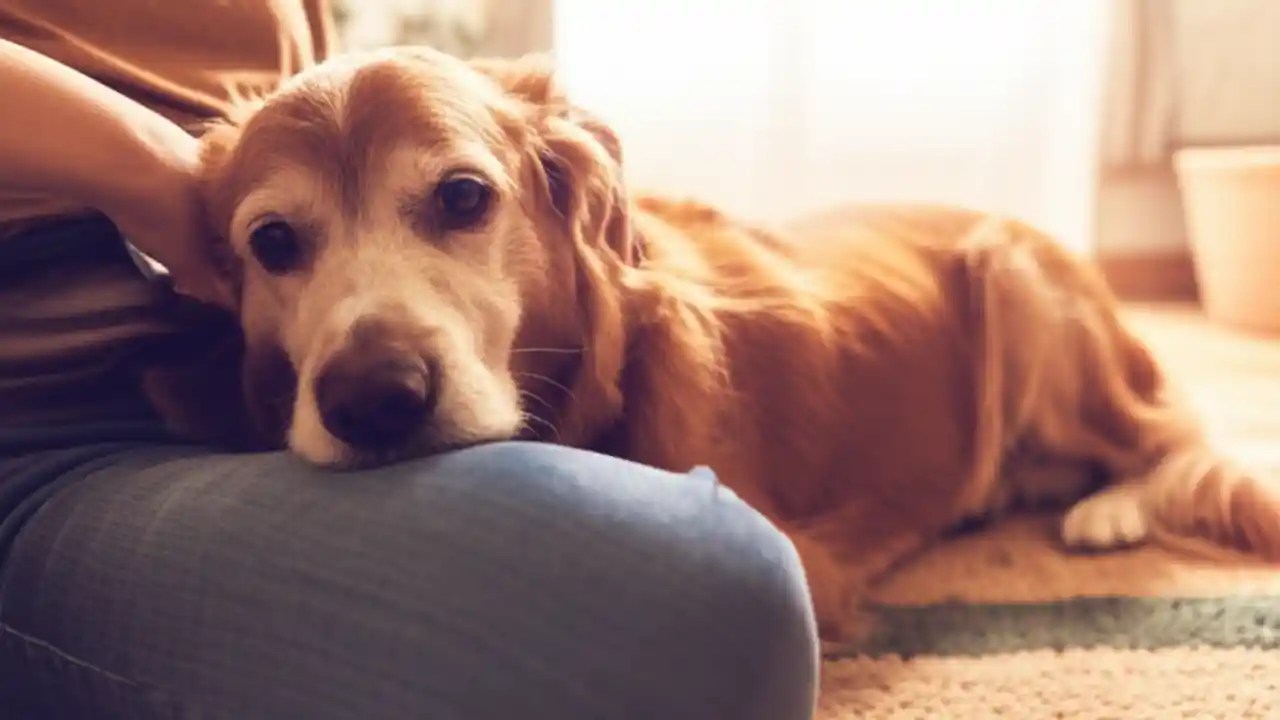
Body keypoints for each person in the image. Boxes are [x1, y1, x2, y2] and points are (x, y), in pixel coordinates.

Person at [0, 2, 819, 718]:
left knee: (716, 587)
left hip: (224, 421)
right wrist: (144, 162)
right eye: (279, 244)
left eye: (459, 199)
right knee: (704, 601)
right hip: (42, 436)